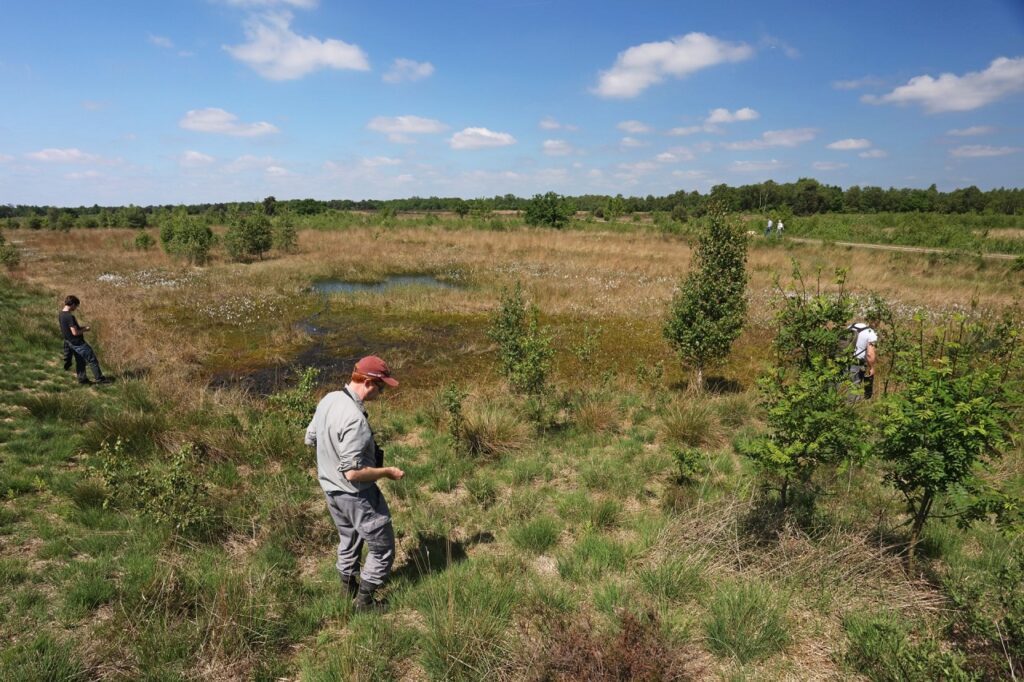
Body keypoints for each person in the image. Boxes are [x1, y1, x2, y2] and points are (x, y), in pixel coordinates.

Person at [305, 355, 404, 612]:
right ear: (369, 382)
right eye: (381, 388)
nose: (380, 394)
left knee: (349, 538)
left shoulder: (329, 399)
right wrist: (387, 472)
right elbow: (353, 473)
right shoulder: (355, 419)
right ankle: (365, 603)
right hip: (356, 494)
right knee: (382, 546)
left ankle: (347, 590)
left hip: (330, 489)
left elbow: (310, 438)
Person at [58, 295, 110, 385]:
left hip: (69, 342)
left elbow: (69, 329)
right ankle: (100, 379)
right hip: (78, 343)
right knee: (92, 359)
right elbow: (75, 333)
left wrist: (81, 327)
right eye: (76, 306)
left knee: (80, 361)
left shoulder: (61, 314)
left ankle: (83, 380)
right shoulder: (70, 317)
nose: (76, 308)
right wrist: (85, 329)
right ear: (73, 304)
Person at [849, 319, 879, 399]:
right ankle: (849, 408)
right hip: (856, 364)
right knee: (853, 390)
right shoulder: (871, 333)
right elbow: (870, 354)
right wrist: (872, 368)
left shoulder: (850, 327)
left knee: (839, 387)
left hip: (841, 360)